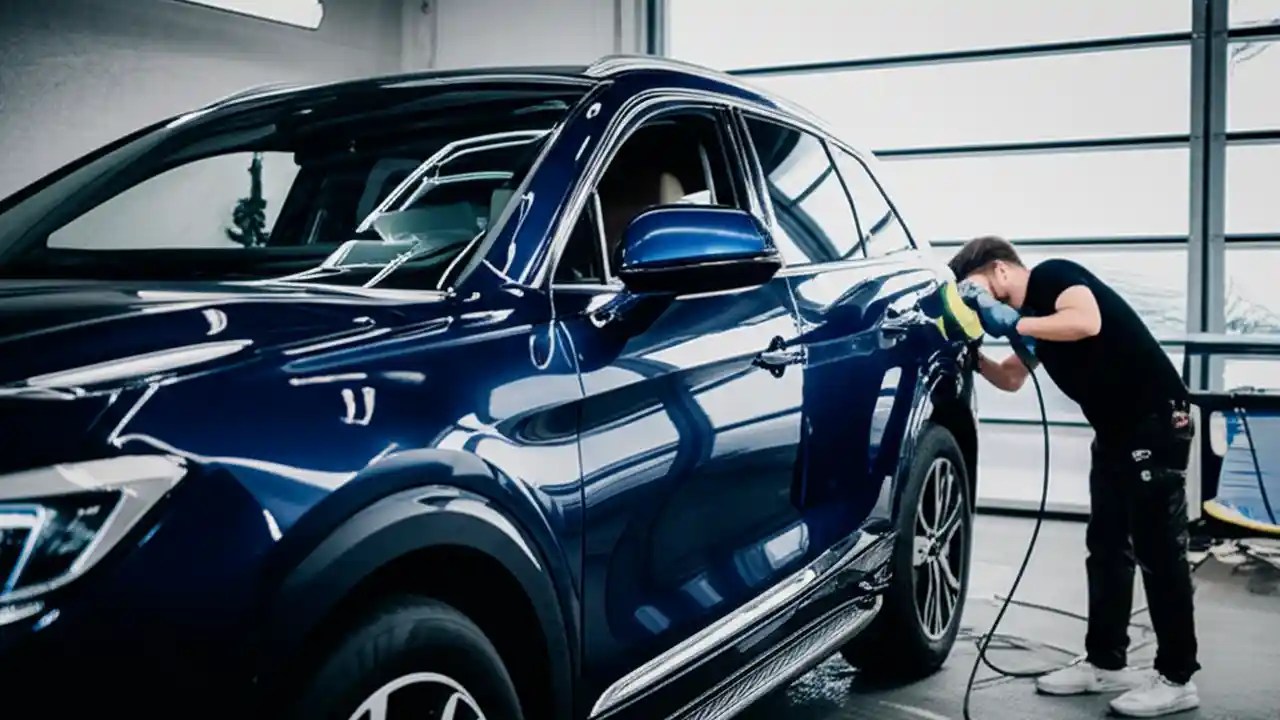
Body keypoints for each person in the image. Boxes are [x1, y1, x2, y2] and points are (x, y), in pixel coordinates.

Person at [948, 236, 1201, 718]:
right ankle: (1106, 662)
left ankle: (1177, 677)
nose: (977, 303)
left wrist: (1015, 322)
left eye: (976, 289)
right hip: (1115, 432)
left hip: (1155, 420)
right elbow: (1012, 378)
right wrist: (974, 358)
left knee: (1158, 551)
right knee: (1106, 548)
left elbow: (1087, 321)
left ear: (1000, 270)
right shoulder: (1036, 324)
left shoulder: (1053, 276)